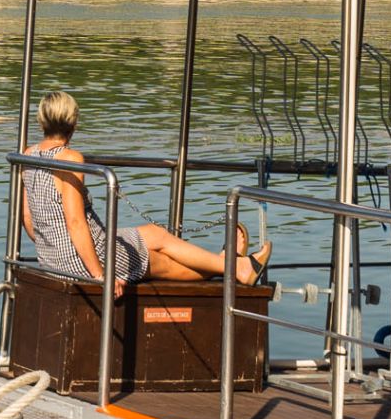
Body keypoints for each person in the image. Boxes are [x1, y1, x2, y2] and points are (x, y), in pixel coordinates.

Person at [19, 91, 268, 296]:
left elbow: (29, 221)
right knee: (159, 262)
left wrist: (52, 246)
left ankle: (228, 263)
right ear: (74, 122)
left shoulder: (28, 155)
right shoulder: (70, 158)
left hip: (51, 255)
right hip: (81, 260)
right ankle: (236, 268)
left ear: (42, 121)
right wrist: (100, 275)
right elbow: (75, 223)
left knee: (156, 235)